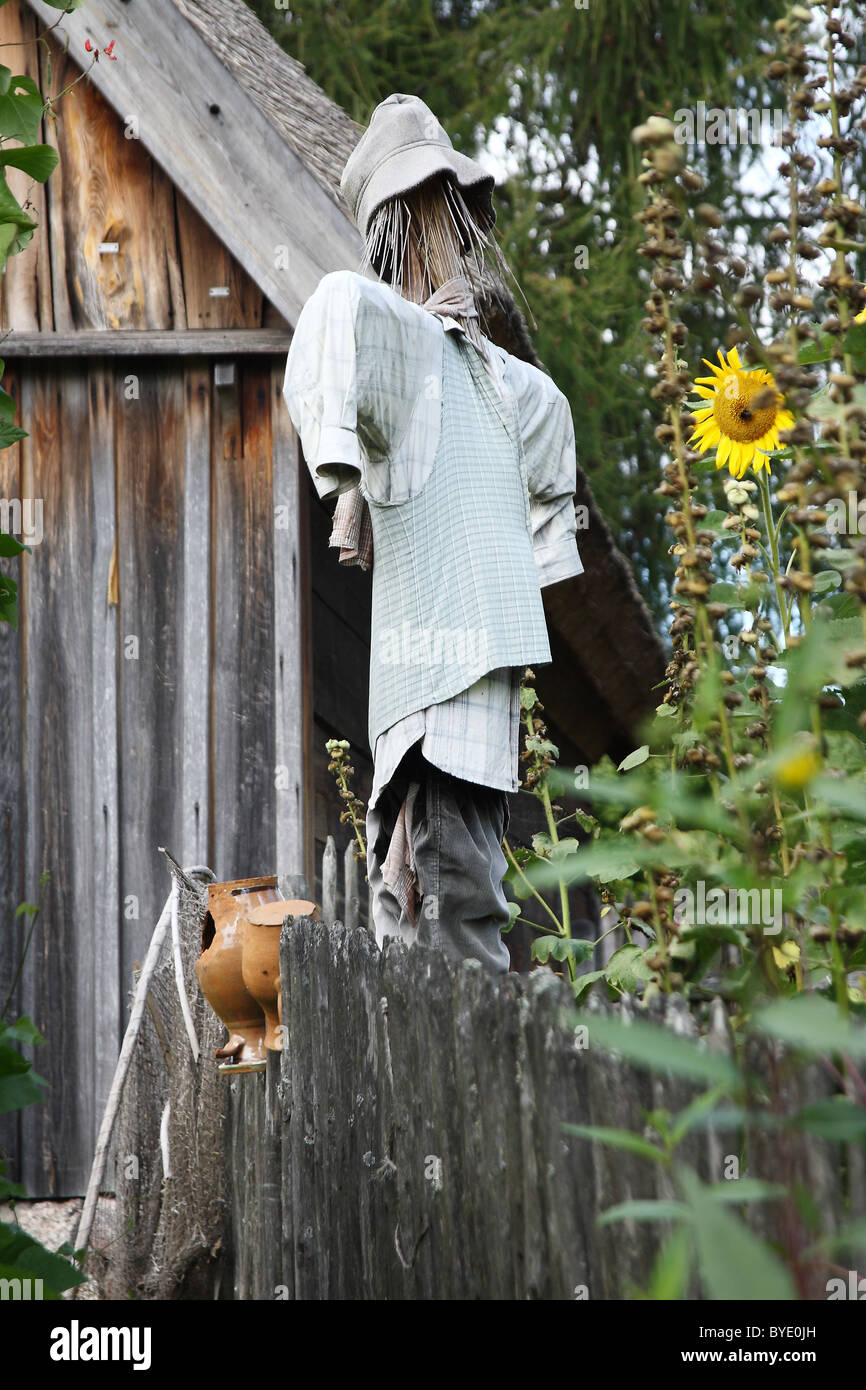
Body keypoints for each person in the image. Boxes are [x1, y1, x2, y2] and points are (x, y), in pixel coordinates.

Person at [283, 93, 583, 975]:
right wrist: (340, 461)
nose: (441, 223)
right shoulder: (399, 339)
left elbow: (550, 422)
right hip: (423, 690)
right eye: (425, 204)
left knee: (462, 901)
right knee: (424, 908)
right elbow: (336, 313)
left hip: (476, 678)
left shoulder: (501, 379)